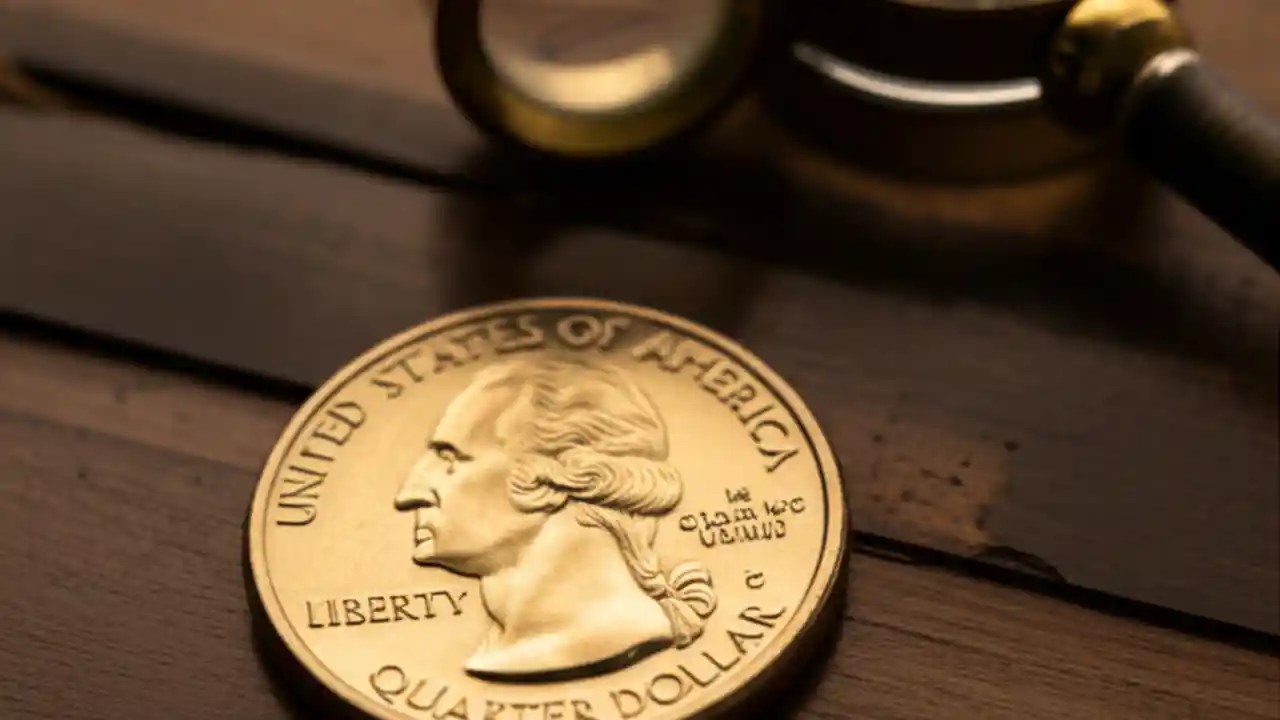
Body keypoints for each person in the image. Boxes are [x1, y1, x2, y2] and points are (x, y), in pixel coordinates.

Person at [394, 356, 716, 681]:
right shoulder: (500, 652)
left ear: (555, 475)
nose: (408, 493)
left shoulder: (615, 637)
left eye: (450, 458)